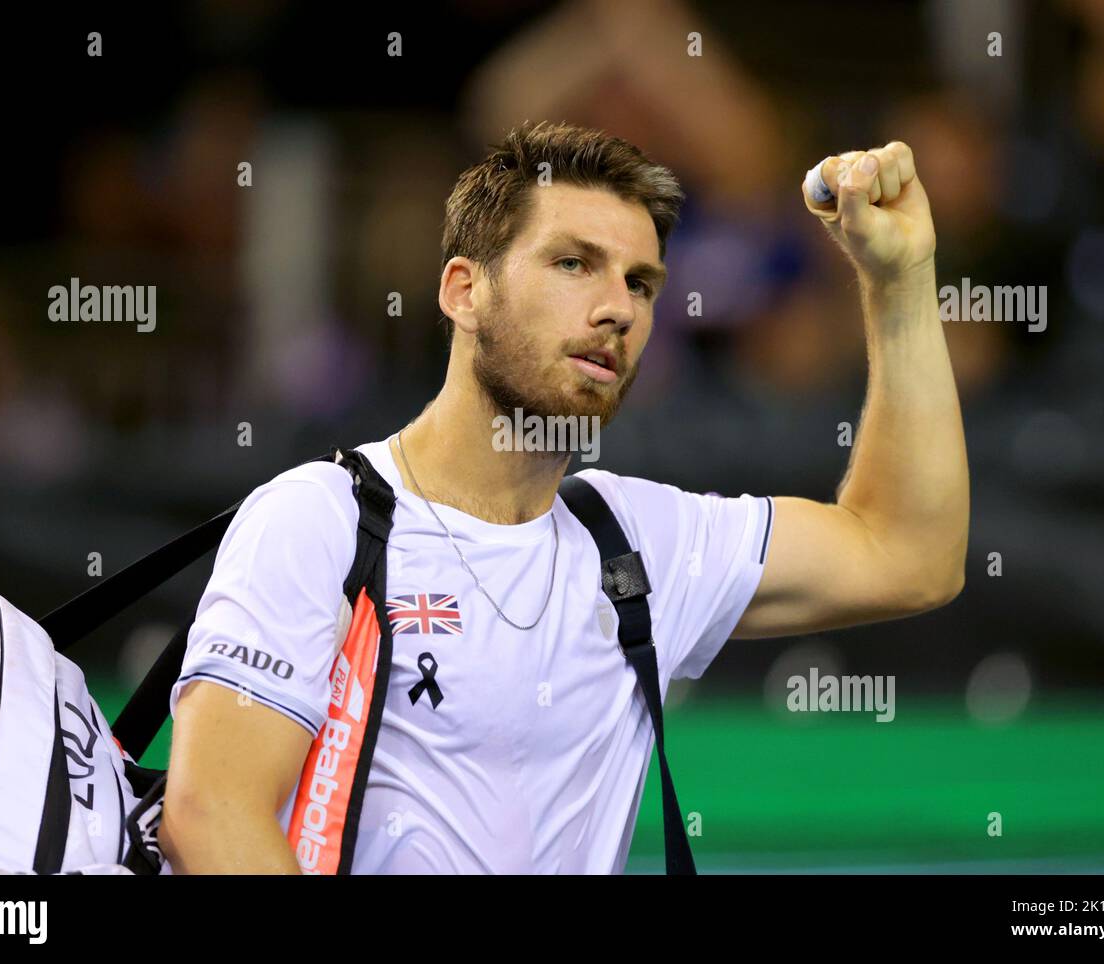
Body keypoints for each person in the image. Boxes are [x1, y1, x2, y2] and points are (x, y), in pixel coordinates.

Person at [160, 121, 968, 874]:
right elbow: (210, 814)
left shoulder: (636, 539)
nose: (618, 307)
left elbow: (908, 556)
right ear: (463, 291)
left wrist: (899, 280)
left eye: (642, 284)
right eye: (574, 263)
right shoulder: (320, 518)